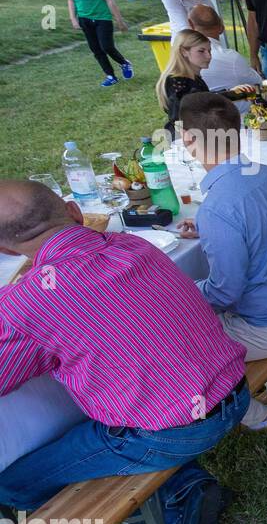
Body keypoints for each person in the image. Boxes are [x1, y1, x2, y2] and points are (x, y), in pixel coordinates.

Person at [0, 180, 249, 502]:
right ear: (74, 212)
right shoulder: (134, 245)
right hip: (237, 390)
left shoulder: (23, 303)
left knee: (13, 484)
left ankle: (182, 501)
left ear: (6, 250)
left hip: (175, 432)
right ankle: (182, 484)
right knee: (90, 428)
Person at [172, 94, 267, 432]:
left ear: (188, 139)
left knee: (177, 345)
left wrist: (184, 293)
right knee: (230, 315)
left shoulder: (218, 208)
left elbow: (225, 293)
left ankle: (261, 418)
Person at [58, 0, 131, 88]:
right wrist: (73, 18)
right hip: (84, 19)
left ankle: (124, 63)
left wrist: (119, 20)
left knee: (107, 47)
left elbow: (109, 0)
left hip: (102, 18)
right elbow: (70, 0)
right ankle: (110, 75)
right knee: (96, 49)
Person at [187, 5, 261, 110]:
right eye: (202, 52)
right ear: (221, 26)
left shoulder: (181, 57)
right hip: (235, 118)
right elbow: (257, 82)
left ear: (190, 25)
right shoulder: (231, 58)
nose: (208, 57)